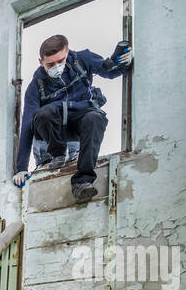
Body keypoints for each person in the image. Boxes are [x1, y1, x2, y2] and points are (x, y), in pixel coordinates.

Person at [12, 34, 132, 202]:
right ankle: (58, 154)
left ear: (67, 52)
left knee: (95, 117)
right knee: (43, 114)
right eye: (50, 64)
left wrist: (124, 61)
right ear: (41, 62)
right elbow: (27, 126)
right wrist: (21, 168)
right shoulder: (36, 86)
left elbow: (109, 71)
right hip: (54, 134)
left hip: (80, 124)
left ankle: (82, 182)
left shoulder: (82, 60)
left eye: (60, 61)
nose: (56, 67)